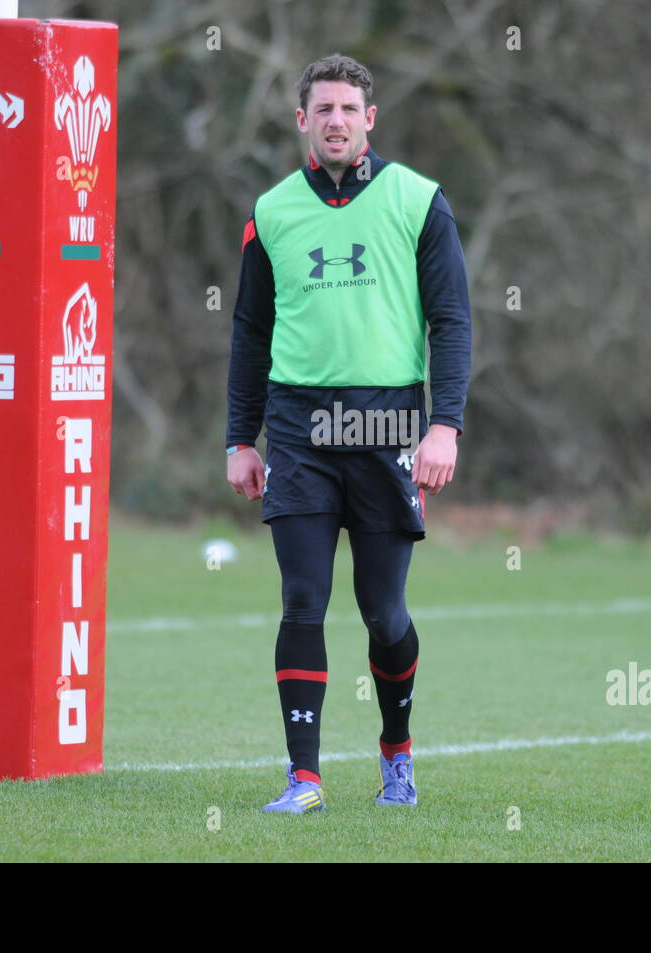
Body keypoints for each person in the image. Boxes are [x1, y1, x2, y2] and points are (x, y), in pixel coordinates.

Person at [225, 53, 471, 813]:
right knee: (302, 598)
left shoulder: (418, 201)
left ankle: (396, 754)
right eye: (322, 109)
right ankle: (304, 777)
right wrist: (242, 437)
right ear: (301, 121)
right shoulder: (271, 214)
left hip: (388, 422)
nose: (336, 120)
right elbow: (248, 332)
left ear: (371, 120)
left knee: (383, 612)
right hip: (298, 427)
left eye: (348, 109)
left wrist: (444, 425)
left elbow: (452, 320)